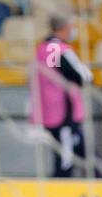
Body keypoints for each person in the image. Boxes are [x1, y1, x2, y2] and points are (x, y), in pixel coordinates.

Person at [30, 14, 93, 178]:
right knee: (66, 157)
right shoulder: (55, 48)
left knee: (80, 151)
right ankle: (62, 187)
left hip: (50, 109)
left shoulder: (43, 48)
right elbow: (79, 75)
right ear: (65, 28)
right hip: (63, 112)